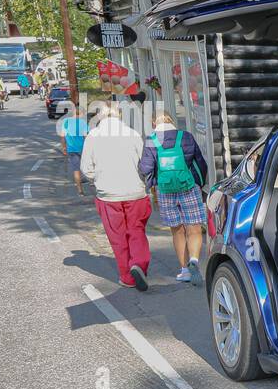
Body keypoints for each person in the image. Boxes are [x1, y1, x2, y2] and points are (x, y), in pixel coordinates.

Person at [80, 102, 152, 290]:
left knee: (117, 236)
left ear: (99, 117)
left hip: (108, 194)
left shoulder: (92, 137)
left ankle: (127, 276)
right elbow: (144, 163)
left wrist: (97, 179)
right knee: (137, 231)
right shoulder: (133, 134)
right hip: (135, 191)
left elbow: (86, 169)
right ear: (119, 116)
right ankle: (139, 264)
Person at [140, 112, 209, 285]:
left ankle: (184, 270)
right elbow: (200, 163)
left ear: (154, 123)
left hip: (165, 190)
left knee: (177, 230)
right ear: (172, 121)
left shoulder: (151, 140)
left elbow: (146, 168)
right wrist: (199, 184)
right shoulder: (185, 136)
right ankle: (194, 260)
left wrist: (153, 184)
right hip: (188, 187)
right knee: (194, 227)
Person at [60, 107, 89, 197]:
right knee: (87, 166)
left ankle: (80, 191)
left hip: (72, 149)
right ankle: (90, 181)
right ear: (80, 114)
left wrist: (64, 148)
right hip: (82, 149)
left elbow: (62, 137)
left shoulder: (66, 122)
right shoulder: (83, 123)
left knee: (76, 170)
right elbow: (86, 137)